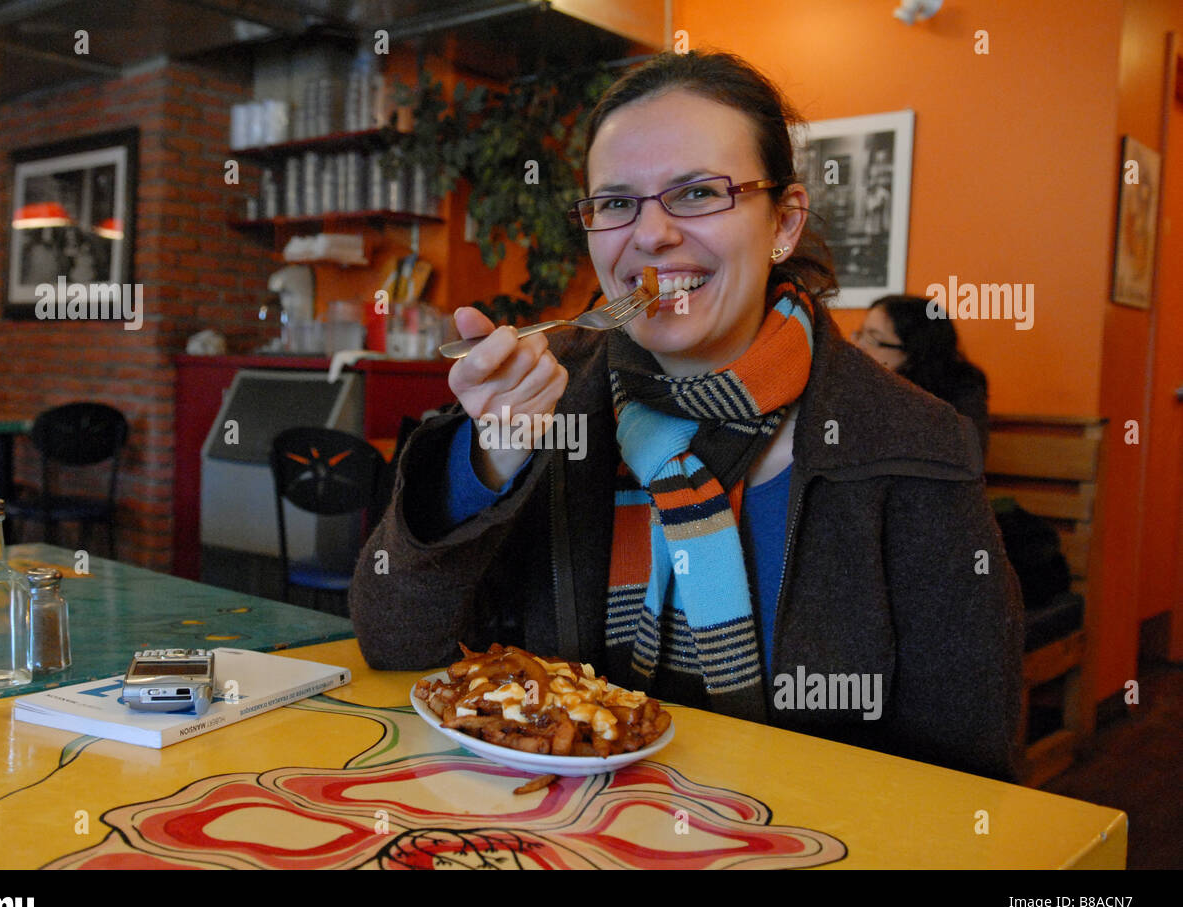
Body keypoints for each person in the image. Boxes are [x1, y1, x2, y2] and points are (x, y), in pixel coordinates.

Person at [350, 51, 1024, 782]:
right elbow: (395, 641)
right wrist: (491, 459)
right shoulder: (551, 401)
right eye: (615, 203)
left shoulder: (909, 443)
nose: (652, 235)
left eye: (698, 193)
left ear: (785, 223)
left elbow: (966, 770)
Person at [854, 295, 990, 457]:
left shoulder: (959, 393)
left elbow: (964, 458)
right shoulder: (860, 386)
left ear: (913, 352)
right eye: (861, 334)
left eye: (873, 338)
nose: (857, 346)